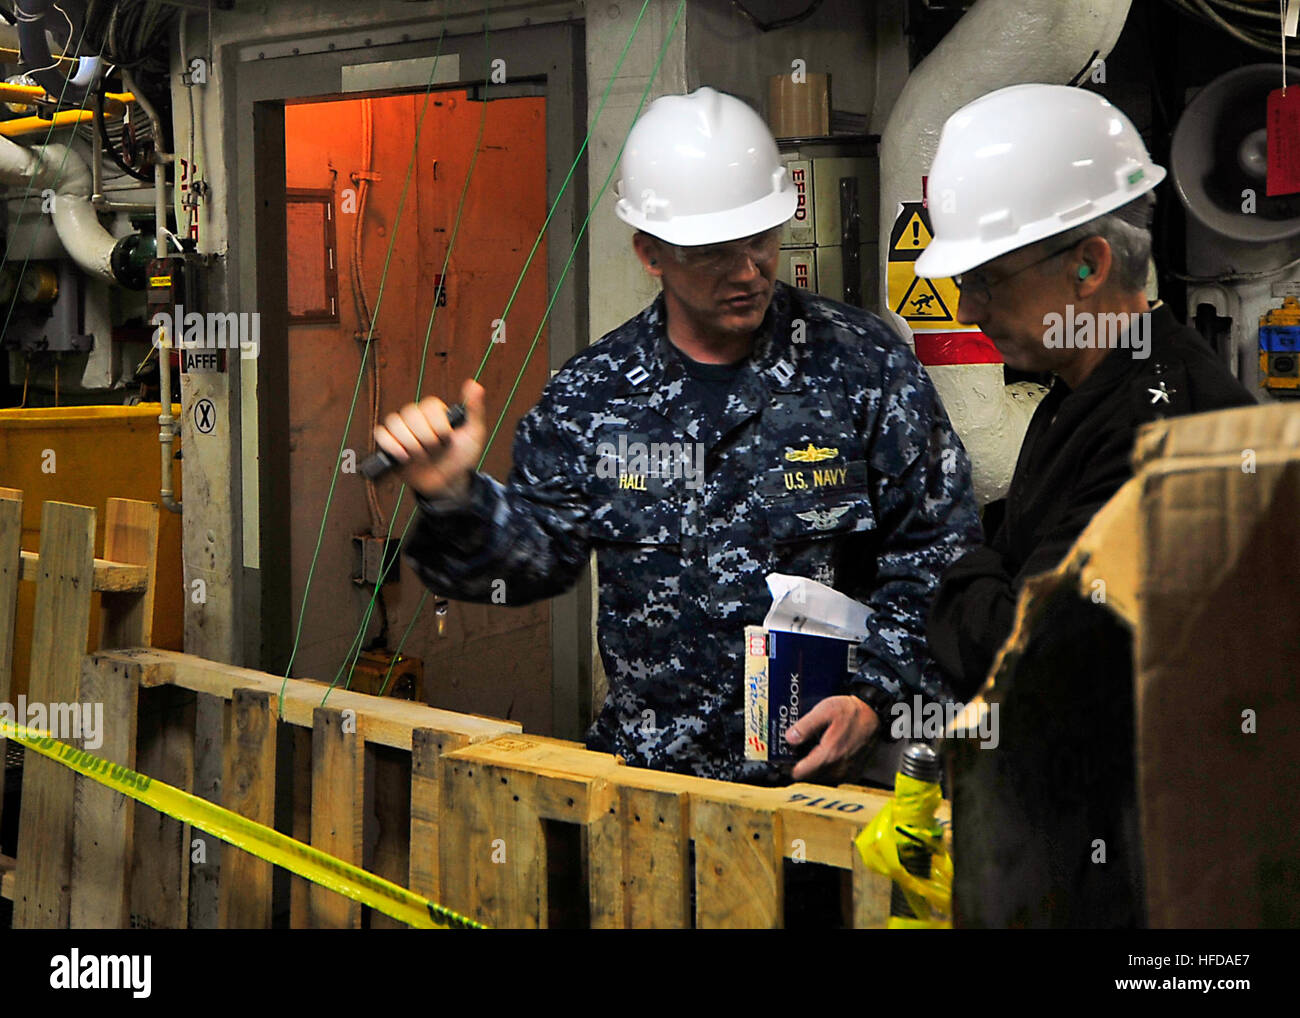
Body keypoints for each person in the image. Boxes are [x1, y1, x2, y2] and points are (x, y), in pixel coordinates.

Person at [376, 87, 981, 784]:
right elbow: (535, 562)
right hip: (652, 789)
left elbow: (942, 552)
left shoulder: (861, 366)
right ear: (650, 252)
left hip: (823, 788)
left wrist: (875, 696)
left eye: (759, 239)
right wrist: (453, 496)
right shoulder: (593, 394)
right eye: (713, 252)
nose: (748, 270)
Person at [919, 84, 1256, 700]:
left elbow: (1020, 651)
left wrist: (961, 576)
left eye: (985, 281)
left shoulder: (1160, 432)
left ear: (1088, 267)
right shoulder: (1086, 387)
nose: (966, 310)